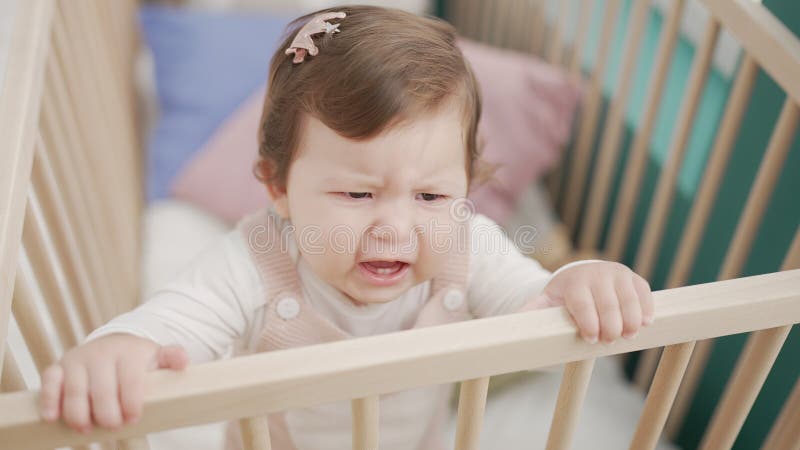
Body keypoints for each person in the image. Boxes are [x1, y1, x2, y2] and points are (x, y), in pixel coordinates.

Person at [39, 5, 653, 449]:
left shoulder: (467, 243)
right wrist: (123, 346)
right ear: (278, 188)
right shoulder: (255, 259)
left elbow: (537, 303)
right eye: (358, 193)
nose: (396, 227)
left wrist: (578, 281)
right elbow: (177, 316)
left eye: (432, 194)